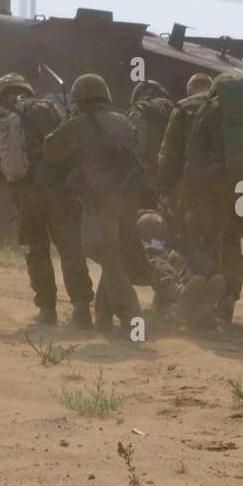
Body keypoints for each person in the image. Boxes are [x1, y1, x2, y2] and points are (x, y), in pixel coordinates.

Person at [158, 71, 243, 334]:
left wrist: (166, 191)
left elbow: (169, 155)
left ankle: (219, 305)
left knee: (211, 246)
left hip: (209, 192)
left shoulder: (188, 108)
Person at [0, 73, 93, 326]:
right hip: (60, 193)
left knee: (35, 251)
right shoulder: (49, 108)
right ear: (27, 90)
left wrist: (12, 175)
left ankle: (47, 310)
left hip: (25, 196)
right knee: (71, 248)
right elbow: (72, 144)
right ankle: (81, 308)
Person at [43, 73, 152, 335]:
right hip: (128, 200)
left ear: (79, 99)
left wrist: (68, 121)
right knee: (113, 253)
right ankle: (103, 318)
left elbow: (50, 149)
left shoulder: (77, 125)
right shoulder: (124, 123)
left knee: (105, 254)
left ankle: (133, 322)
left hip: (99, 199)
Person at [126, 80, 174, 178]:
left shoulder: (139, 109)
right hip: (173, 172)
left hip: (148, 171)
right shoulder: (176, 109)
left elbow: (139, 143)